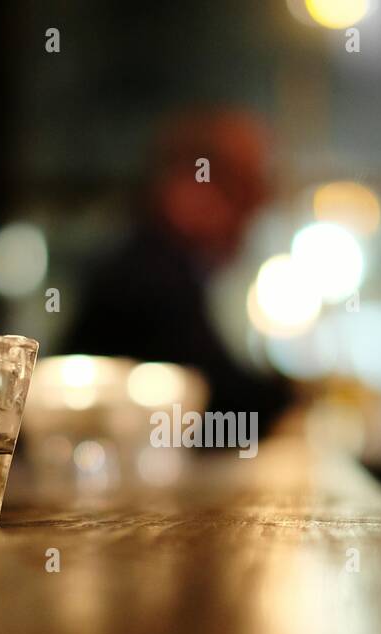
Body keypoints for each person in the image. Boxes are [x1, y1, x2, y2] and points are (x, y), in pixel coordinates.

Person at [61, 109, 290, 426]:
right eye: (243, 190)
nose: (255, 210)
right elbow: (225, 410)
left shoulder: (154, 263)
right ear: (187, 185)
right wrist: (298, 393)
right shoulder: (150, 276)